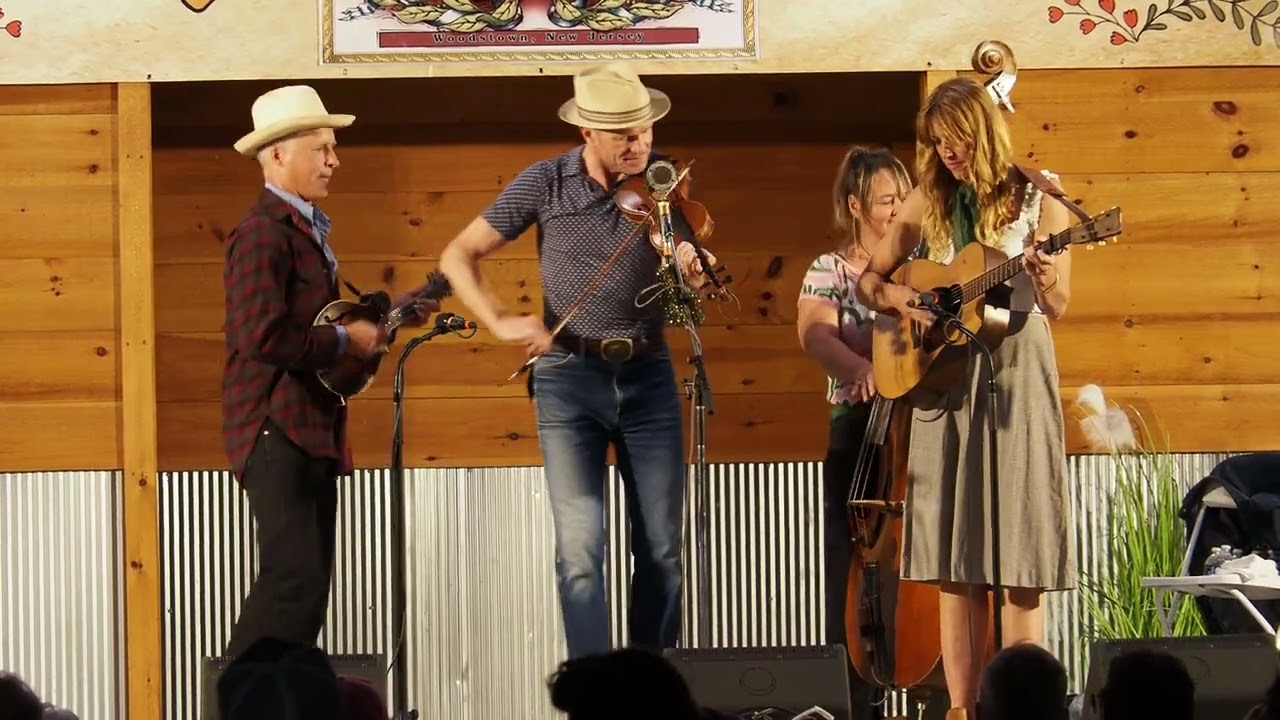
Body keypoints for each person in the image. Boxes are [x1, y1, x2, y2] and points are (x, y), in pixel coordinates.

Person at [438, 63, 717, 659]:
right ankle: (595, 694)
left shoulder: (666, 187)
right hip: (569, 379)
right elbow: (459, 255)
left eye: (643, 131)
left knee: (664, 551)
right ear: (587, 132)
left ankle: (651, 687)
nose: (639, 145)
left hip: (647, 376)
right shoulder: (546, 183)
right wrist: (499, 320)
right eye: (623, 135)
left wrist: (687, 269)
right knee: (582, 553)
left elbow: (684, 293)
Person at [854, 76, 1077, 717]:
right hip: (946, 379)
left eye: (955, 140)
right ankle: (960, 708)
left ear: (983, 132)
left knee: (1020, 550)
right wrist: (906, 299)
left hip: (1016, 372)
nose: (947, 153)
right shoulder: (929, 200)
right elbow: (872, 281)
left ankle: (1024, 709)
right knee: (957, 557)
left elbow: (1058, 304)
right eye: (937, 143)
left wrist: (1044, 273)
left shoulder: (1040, 196)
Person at [221, 85, 436, 660]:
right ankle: (240, 702)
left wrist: (381, 327)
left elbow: (310, 334)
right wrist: (346, 336)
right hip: (274, 424)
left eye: (332, 148)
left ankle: (275, 701)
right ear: (277, 156)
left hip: (308, 427)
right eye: (321, 149)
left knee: (309, 587)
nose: (334, 160)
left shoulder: (306, 232)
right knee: (292, 579)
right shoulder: (263, 234)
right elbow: (258, 335)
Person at [795, 145, 911, 717]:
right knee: (850, 560)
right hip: (859, 428)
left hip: (915, 434)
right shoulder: (829, 269)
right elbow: (815, 335)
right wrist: (861, 369)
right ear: (856, 205)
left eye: (901, 199)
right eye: (886, 201)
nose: (896, 210)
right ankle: (852, 699)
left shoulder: (921, 267)